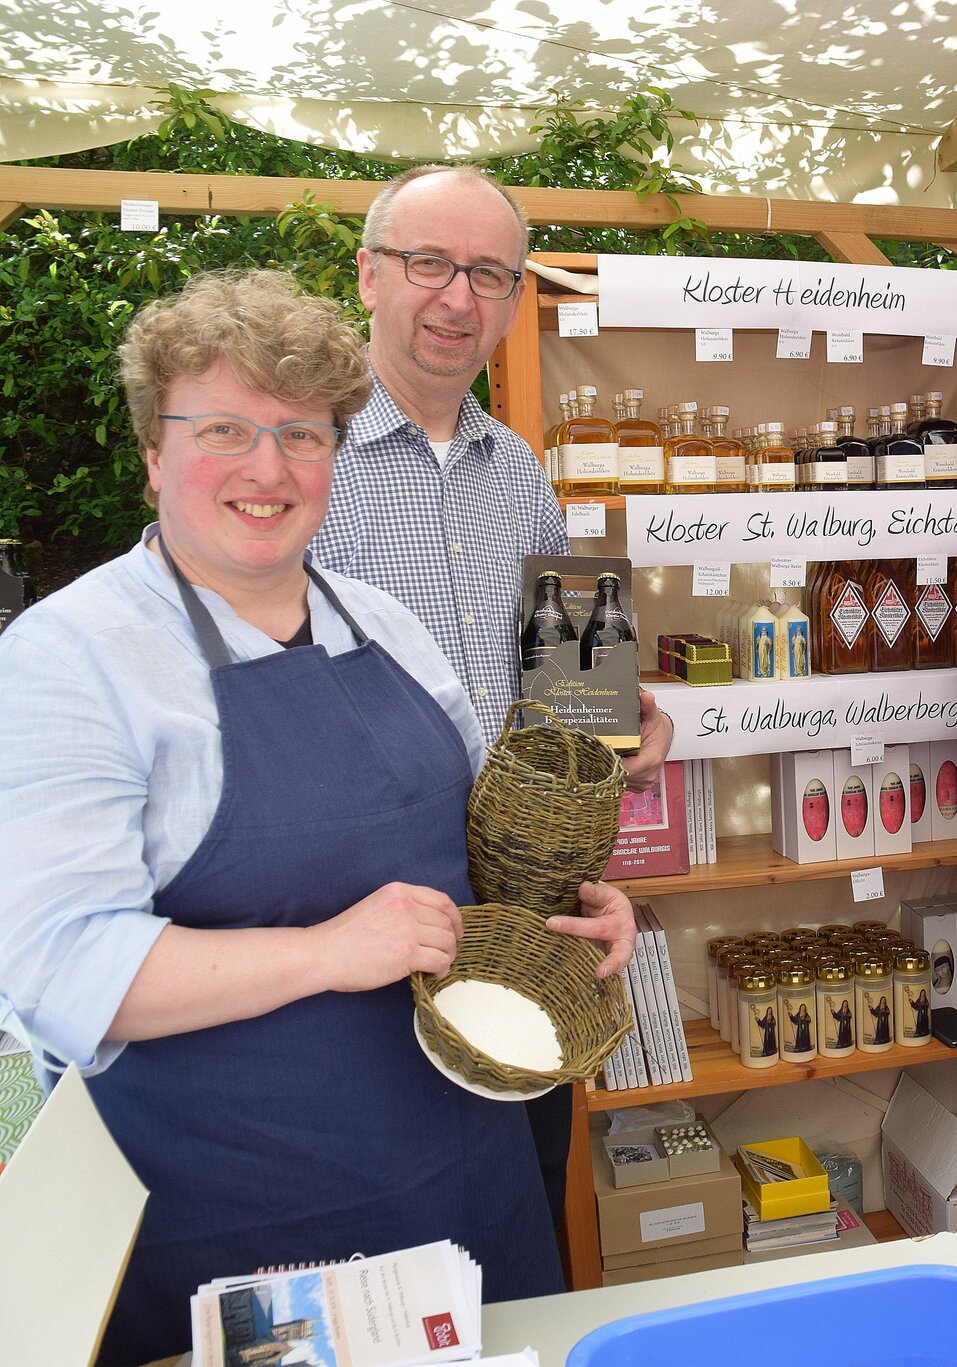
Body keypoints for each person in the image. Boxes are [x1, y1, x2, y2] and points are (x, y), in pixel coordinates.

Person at [0, 270, 636, 1365]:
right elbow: (59, 976)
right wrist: (329, 951)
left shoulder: (380, 620)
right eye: (223, 429)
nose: (266, 467)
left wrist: (568, 912)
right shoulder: (68, 660)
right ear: (152, 452)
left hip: (462, 1190)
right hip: (243, 1235)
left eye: (301, 435)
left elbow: (481, 836)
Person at [310, 164, 674, 1225]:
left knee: (512, 1221)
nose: (458, 298)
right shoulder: (301, 461)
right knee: (380, 1243)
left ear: (517, 300)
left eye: (488, 274)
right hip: (366, 921)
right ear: (368, 275)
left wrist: (622, 731)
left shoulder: (518, 467)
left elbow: (567, 698)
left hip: (522, 923)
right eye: (429, 263)